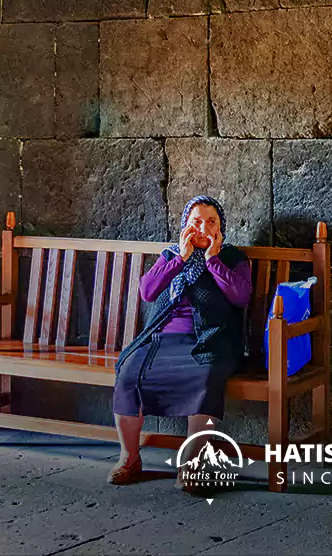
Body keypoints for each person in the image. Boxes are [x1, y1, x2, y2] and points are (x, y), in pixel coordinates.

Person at [107, 196, 253, 491]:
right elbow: (148, 292)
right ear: (185, 226)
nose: (204, 227)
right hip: (161, 337)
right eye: (196, 221)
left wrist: (212, 260)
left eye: (211, 221)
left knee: (206, 377)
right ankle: (129, 458)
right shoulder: (171, 254)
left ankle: (190, 464)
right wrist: (180, 259)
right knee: (129, 373)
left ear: (221, 226)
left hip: (211, 339)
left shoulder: (232, 257)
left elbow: (241, 296)